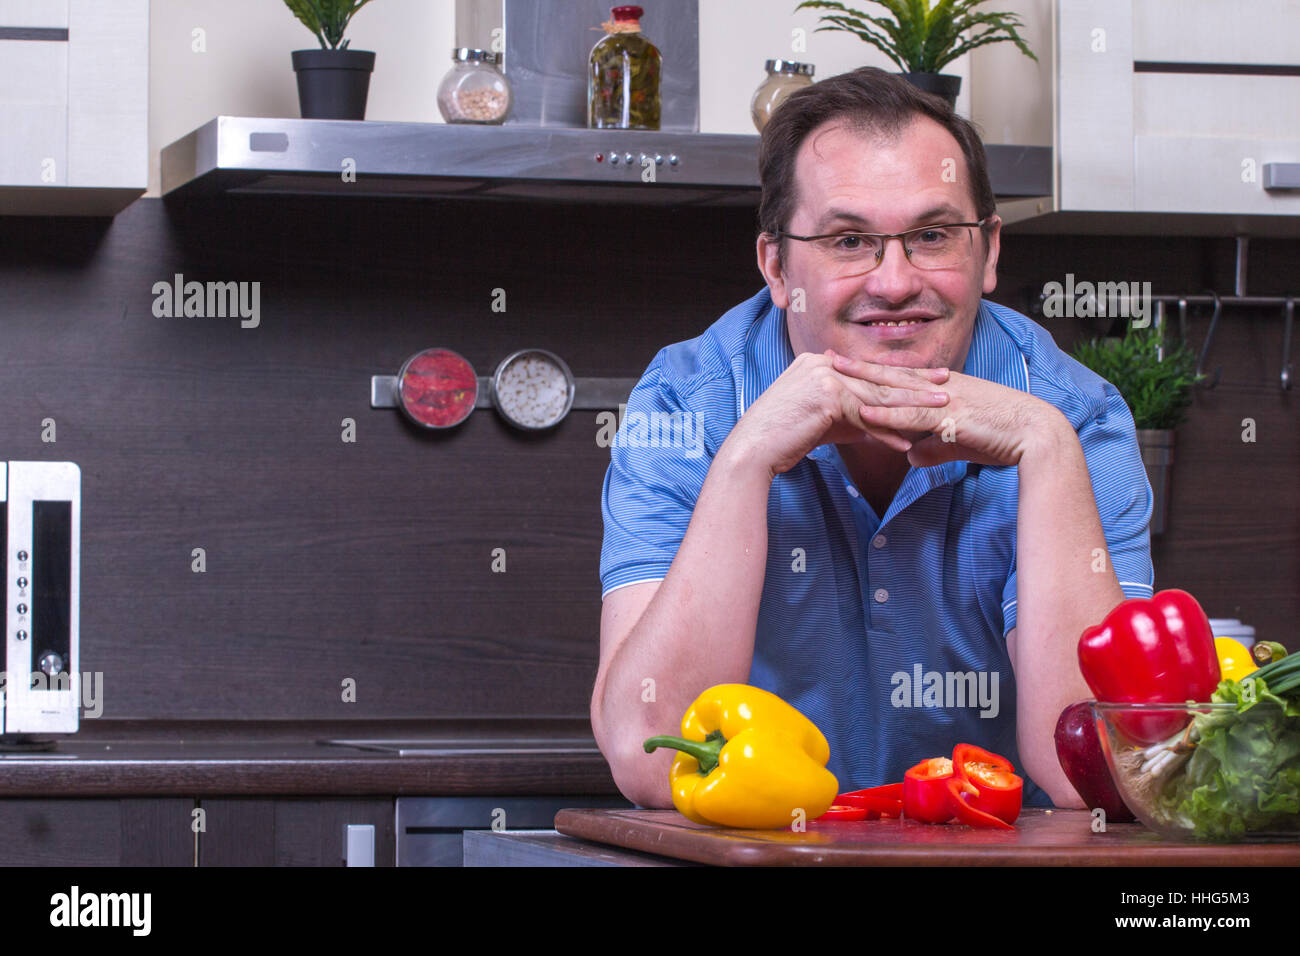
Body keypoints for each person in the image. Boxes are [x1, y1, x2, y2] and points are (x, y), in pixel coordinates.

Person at [591, 66, 1154, 810]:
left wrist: (1044, 447)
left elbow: (1089, 775)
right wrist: (746, 459)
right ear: (776, 266)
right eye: (848, 240)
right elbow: (648, 757)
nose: (893, 283)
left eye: (931, 234)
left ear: (987, 252)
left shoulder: (1077, 418)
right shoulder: (683, 407)